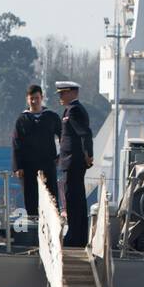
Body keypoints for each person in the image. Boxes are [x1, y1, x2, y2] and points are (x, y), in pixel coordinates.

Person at [12, 84, 61, 221]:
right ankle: (33, 221)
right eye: (31, 98)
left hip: (48, 163)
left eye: (37, 98)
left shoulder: (51, 116)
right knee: (31, 196)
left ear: (42, 98)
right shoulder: (22, 119)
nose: (34, 101)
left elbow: (63, 135)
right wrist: (18, 166)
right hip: (28, 165)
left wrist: (60, 156)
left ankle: (53, 221)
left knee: (51, 194)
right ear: (27, 99)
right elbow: (16, 143)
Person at [55, 81, 93, 248]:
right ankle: (76, 234)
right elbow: (68, 137)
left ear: (73, 93)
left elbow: (85, 134)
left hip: (74, 161)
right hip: (69, 159)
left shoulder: (75, 110)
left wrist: (88, 154)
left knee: (74, 199)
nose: (60, 97)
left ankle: (76, 236)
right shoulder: (70, 109)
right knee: (72, 199)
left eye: (63, 93)